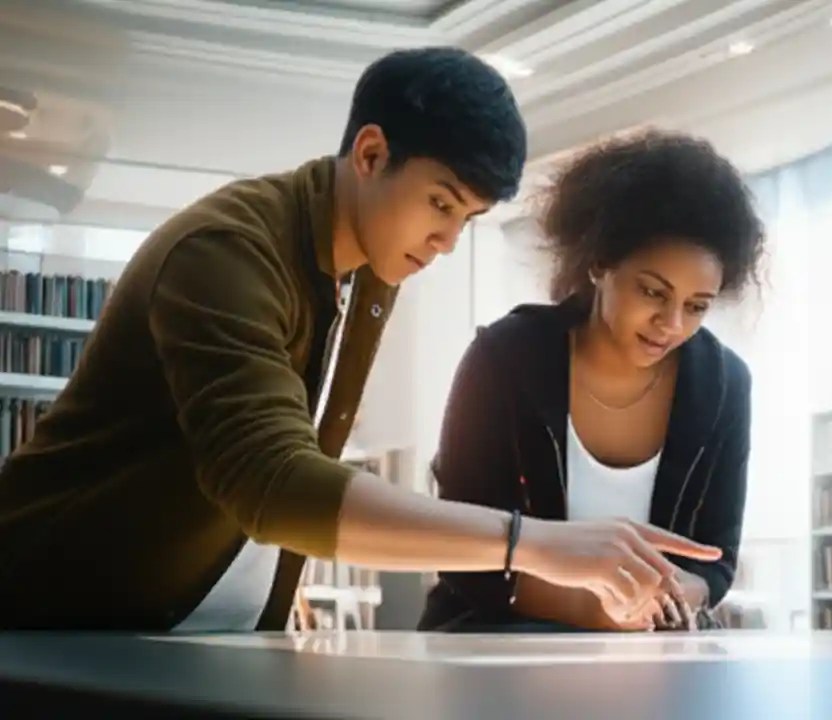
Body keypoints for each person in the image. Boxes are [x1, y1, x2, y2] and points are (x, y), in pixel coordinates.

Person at [0, 48, 720, 632]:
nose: (444, 241)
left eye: (466, 219)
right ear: (371, 154)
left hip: (179, 635)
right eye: (439, 203)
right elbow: (275, 482)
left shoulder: (370, 269)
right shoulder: (225, 252)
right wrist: (530, 543)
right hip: (48, 618)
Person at [418, 130, 761, 632]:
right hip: (498, 642)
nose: (671, 324)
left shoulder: (725, 385)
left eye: (696, 306)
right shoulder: (504, 358)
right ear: (600, 262)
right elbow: (462, 552)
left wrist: (671, 600)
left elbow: (716, 561)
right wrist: (605, 614)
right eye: (653, 292)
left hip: (649, 653)